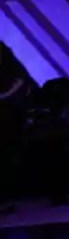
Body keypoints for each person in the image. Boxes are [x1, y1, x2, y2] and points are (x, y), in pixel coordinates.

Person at [0, 43, 32, 214]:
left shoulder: (13, 72)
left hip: (10, 119)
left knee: (8, 157)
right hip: (9, 118)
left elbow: (20, 85)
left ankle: (9, 198)